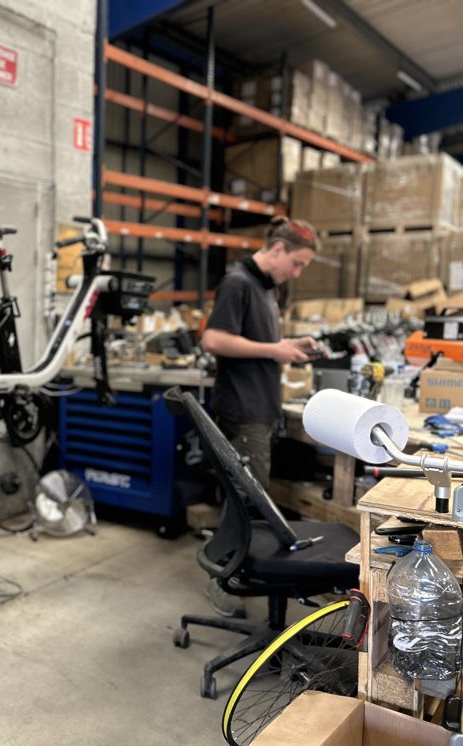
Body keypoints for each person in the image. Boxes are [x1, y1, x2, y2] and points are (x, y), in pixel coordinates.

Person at [200, 216, 318, 616]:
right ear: (279, 249)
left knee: (250, 495)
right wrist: (273, 350)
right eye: (297, 264)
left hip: (261, 406)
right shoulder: (238, 282)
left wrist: (289, 343)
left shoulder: (267, 288)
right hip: (243, 408)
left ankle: (237, 571)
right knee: (245, 499)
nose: (297, 273)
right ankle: (223, 577)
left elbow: (255, 341)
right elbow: (213, 339)